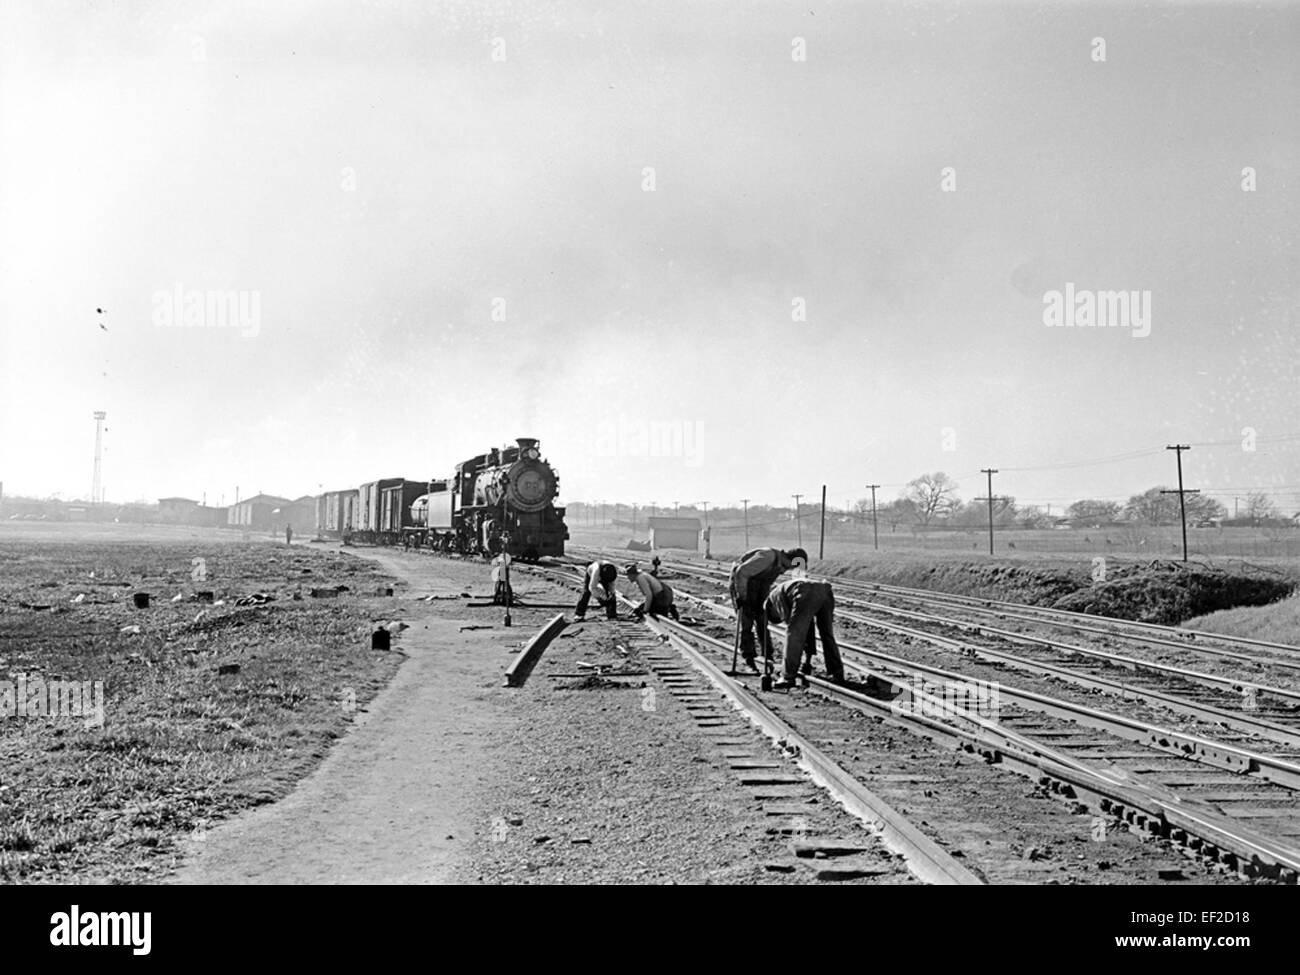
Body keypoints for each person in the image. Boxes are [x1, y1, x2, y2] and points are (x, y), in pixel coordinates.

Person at [728, 547, 807, 672]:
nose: (788, 570)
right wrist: (742, 596)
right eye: (791, 567)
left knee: (762, 618)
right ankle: (749, 657)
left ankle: (768, 655)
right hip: (743, 582)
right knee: (746, 620)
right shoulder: (767, 557)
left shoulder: (780, 564)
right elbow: (741, 572)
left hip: (759, 586)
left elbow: (766, 582)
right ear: (790, 560)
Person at [764, 577, 845, 689]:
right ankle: (837, 672)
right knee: (827, 634)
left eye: (776, 616)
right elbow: (808, 628)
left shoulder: (774, 597)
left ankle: (787, 676)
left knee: (793, 634)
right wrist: (807, 661)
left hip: (804, 590)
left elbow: (796, 632)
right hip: (824, 589)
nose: (779, 617)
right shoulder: (785, 592)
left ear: (770, 608)